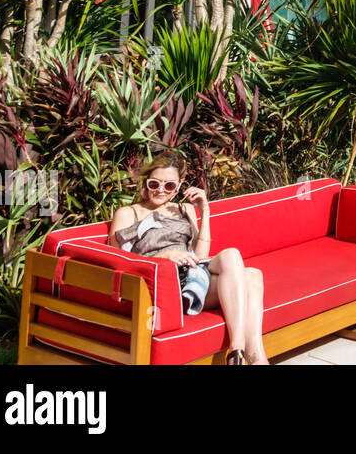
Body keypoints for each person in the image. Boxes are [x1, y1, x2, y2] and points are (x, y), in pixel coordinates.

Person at [108, 151, 267, 365]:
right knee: (250, 278)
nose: (161, 191)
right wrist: (165, 256)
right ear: (146, 183)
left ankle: (243, 352)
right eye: (155, 184)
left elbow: (199, 255)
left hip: (193, 274)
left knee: (240, 262)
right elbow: (119, 261)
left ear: (178, 186)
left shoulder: (184, 209)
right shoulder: (129, 213)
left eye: (169, 186)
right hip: (165, 283)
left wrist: (205, 211)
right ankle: (248, 356)